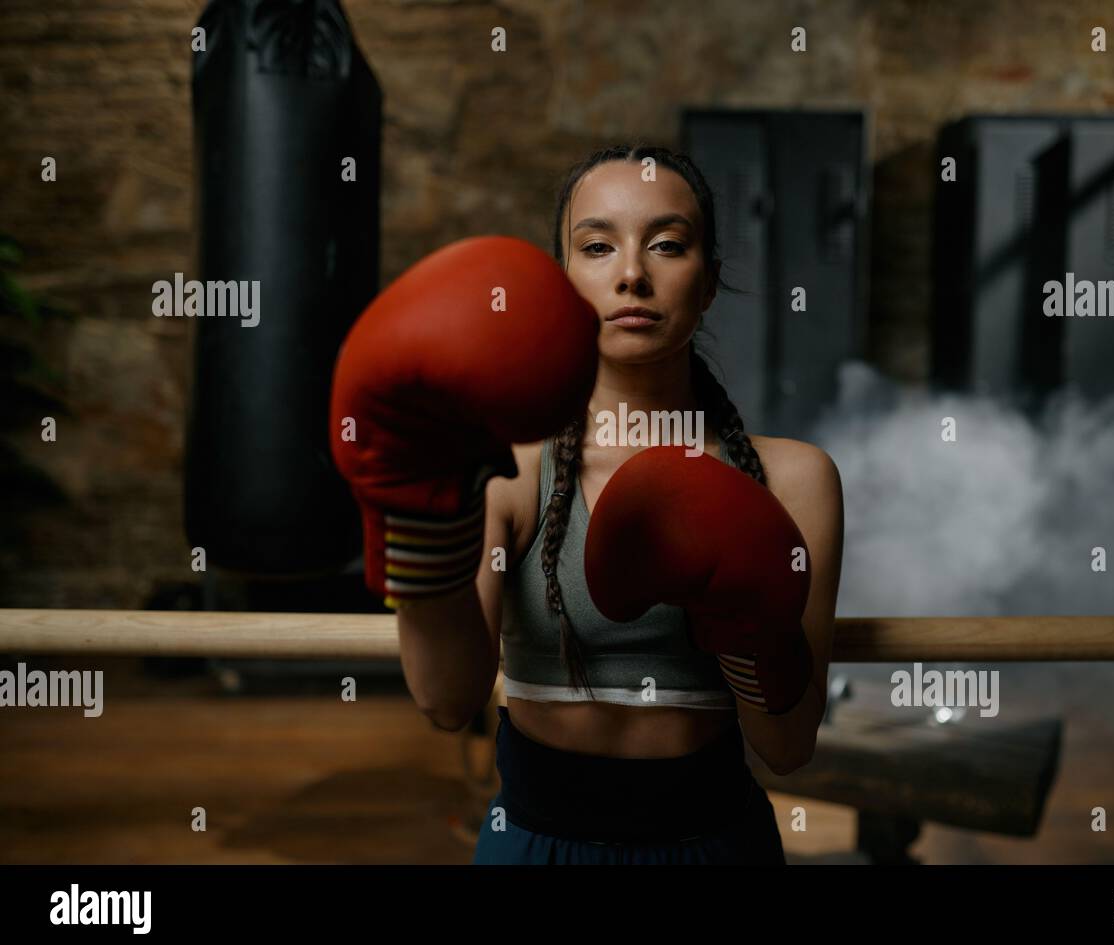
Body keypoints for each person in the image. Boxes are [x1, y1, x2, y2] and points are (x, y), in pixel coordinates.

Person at [332, 144, 844, 864]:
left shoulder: (794, 479)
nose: (632, 274)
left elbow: (787, 749)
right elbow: (446, 702)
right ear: (563, 280)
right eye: (597, 246)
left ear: (708, 283)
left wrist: (752, 627)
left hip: (718, 847)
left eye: (667, 245)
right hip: (536, 847)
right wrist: (423, 510)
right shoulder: (510, 471)